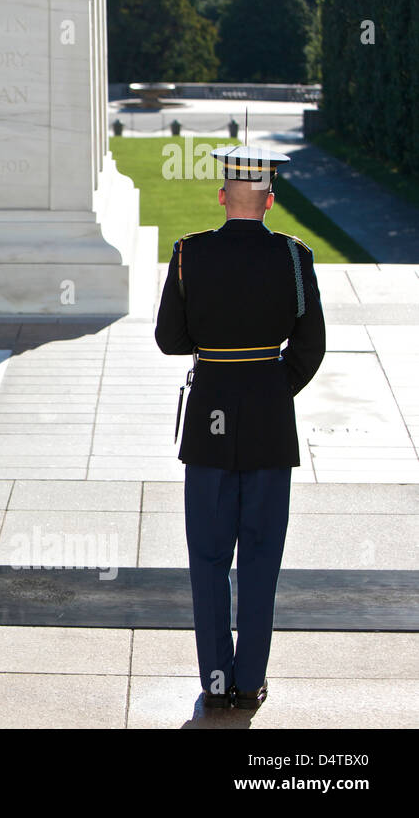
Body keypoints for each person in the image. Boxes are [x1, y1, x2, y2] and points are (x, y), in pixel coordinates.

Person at [154, 144, 325, 710]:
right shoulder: (295, 258)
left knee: (207, 557)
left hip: (208, 422)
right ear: (270, 201)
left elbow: (170, 341)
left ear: (224, 197)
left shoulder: (188, 254)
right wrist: (275, 390)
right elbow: (311, 344)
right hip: (269, 425)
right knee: (259, 556)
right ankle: (250, 679)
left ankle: (216, 681)